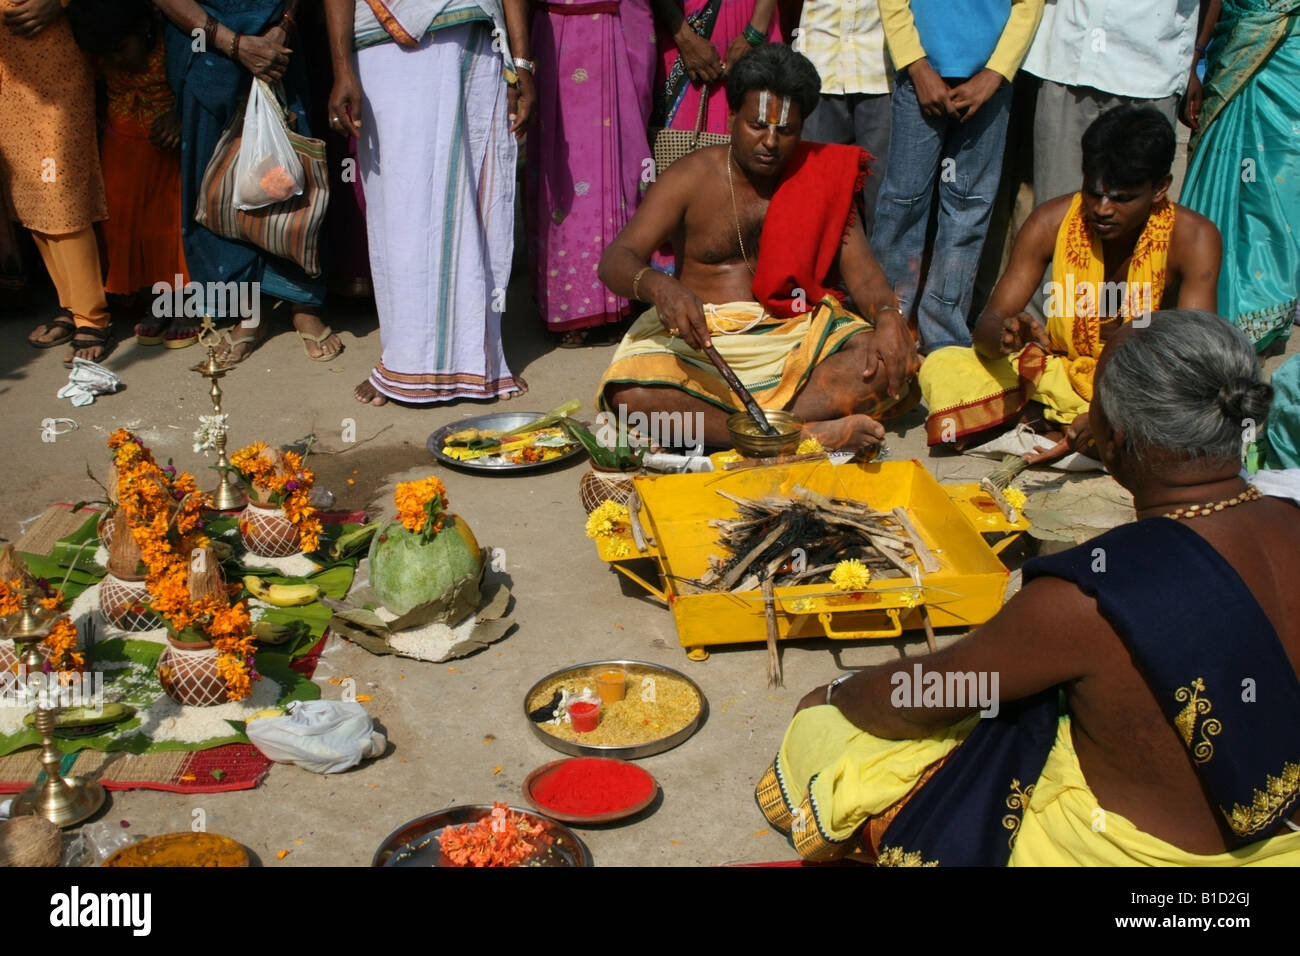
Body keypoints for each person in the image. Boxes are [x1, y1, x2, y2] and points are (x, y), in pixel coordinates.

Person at [760, 310, 1300, 865]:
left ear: (1111, 436)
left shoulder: (1091, 592)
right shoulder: (1291, 518)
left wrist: (837, 692)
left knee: (837, 740)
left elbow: (927, 698)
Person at [597, 45, 919, 454]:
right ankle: (802, 434)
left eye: (786, 131)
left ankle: (752, 434)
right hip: (705, 340)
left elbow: (866, 278)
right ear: (731, 118)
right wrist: (662, 288)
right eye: (757, 125)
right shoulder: (691, 176)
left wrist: (890, 317)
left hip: (796, 334)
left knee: (892, 361)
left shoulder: (821, 176)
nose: (770, 142)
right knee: (633, 400)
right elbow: (615, 260)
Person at [919, 106, 1221, 464]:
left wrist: (1110, 411)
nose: (1103, 209)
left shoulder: (1195, 238)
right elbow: (987, 329)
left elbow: (1191, 360)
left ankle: (1046, 429)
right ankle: (1079, 439)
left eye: (1122, 198)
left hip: (1143, 384)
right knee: (943, 364)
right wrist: (1004, 336)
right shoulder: (1050, 221)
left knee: (1196, 406)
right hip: (1060, 373)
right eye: (1094, 193)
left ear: (1160, 188)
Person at [325, 0, 533, 405]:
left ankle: (479, 362)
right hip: (385, 42)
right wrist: (341, 67)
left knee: (474, 202)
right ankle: (403, 360)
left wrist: (523, 63)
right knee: (402, 204)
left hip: (472, 37)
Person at [154, 0, 342, 364]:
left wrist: (285, 24)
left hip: (278, 37)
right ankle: (249, 310)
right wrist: (232, 43)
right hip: (203, 45)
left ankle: (301, 301)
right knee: (219, 183)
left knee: (288, 172)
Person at [871, 0, 1043, 353]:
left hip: (990, 87)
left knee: (968, 208)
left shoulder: (992, 80)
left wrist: (995, 74)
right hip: (917, 76)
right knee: (903, 203)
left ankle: (943, 335)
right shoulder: (917, 72)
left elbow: (1028, 6)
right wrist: (916, 66)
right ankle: (887, 322)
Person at [527, 0, 656, 347]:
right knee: (565, 165)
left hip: (617, 23)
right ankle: (570, 303)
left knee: (622, 161)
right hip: (558, 29)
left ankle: (620, 299)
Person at [67, 0, 193, 348]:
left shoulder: (173, 38)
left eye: (122, 49)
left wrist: (181, 115)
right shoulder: (103, 39)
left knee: (169, 227)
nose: (117, 61)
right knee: (131, 225)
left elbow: (198, 81)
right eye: (108, 54)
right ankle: (156, 302)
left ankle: (184, 304)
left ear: (145, 30)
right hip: (121, 147)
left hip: (167, 147)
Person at [1180, 0, 1299, 354]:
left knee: (1281, 181)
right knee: (1232, 176)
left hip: (1290, 59)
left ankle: (1270, 303)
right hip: (1233, 46)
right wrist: (1195, 57)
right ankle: (1213, 297)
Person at [3, 0, 113, 364]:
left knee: (59, 191)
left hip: (55, 59)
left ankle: (92, 317)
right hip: (8, 68)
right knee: (30, 189)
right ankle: (70, 304)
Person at [1022, 0, 1200, 208]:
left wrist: (1196, 58)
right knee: (1057, 208)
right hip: (1069, 56)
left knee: (1134, 210)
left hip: (1152, 68)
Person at [793, 0, 892, 234]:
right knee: (815, 190)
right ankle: (817, 267)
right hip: (820, 67)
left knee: (881, 196)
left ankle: (875, 268)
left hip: (880, 70)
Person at [653, 0, 782, 136]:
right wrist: (685, 39)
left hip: (752, 18)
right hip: (677, 24)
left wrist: (754, 35)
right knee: (675, 139)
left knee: (758, 134)